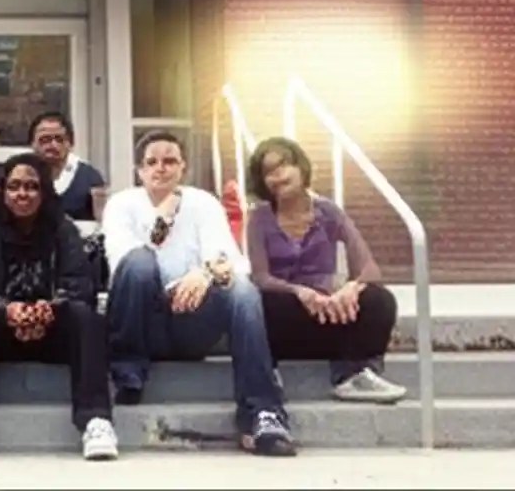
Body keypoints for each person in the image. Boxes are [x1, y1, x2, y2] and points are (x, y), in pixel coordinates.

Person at [102, 130, 296, 457]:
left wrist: (204, 273)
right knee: (140, 262)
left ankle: (262, 413)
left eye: (170, 161)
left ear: (183, 168)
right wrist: (180, 276)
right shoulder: (122, 204)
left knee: (243, 292)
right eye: (152, 162)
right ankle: (129, 375)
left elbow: (232, 262)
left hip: (190, 323)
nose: (160, 169)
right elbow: (125, 265)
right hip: (141, 324)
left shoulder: (203, 202)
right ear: (139, 170)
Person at [0, 153, 117, 462]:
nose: (22, 194)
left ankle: (96, 421)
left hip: (48, 328)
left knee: (86, 318)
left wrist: (50, 308)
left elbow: (80, 283)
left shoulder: (62, 228)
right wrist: (6, 310)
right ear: (2, 189)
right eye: (14, 186)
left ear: (45, 191)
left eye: (32, 187)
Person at [245, 137, 406, 403]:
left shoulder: (328, 212)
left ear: (301, 167)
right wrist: (299, 291)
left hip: (327, 316)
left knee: (379, 299)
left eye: (283, 165)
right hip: (285, 321)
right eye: (267, 171)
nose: (277, 175)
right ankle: (267, 376)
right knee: (260, 300)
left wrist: (351, 289)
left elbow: (368, 268)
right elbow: (261, 276)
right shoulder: (259, 219)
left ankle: (355, 375)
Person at [28, 111, 109, 225]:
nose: (53, 145)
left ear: (70, 143)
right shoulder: (22, 174)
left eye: (59, 139)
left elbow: (102, 223)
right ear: (32, 143)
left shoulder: (90, 178)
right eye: (45, 139)